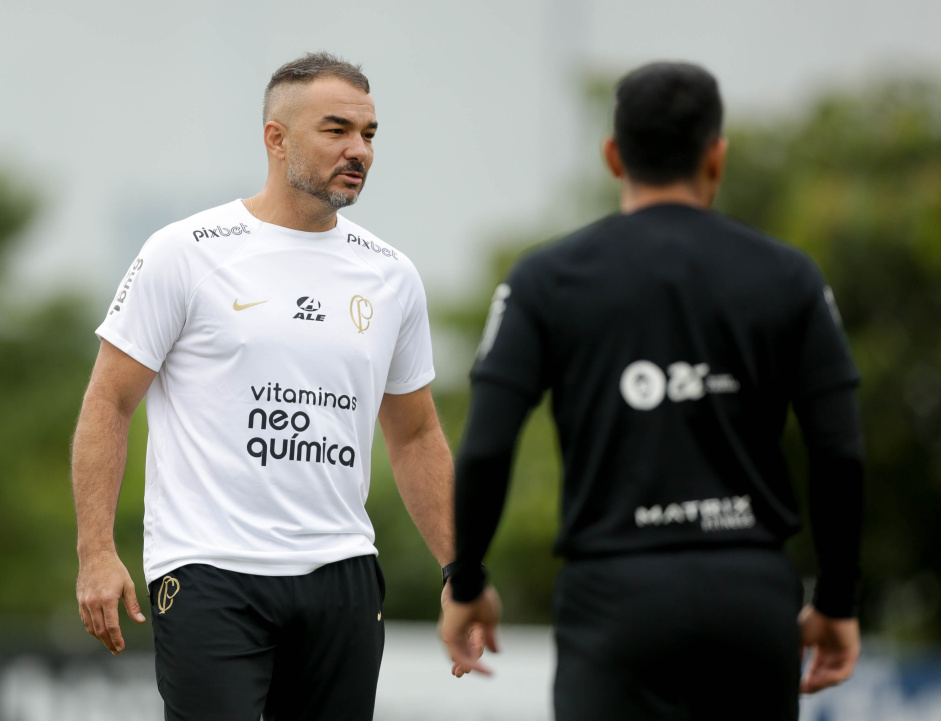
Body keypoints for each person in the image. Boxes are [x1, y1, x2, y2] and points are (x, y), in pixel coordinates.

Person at [440, 61, 865, 721]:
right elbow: (839, 450)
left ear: (613, 155)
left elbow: (486, 446)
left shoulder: (546, 279)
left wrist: (465, 580)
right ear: (715, 155)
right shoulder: (788, 276)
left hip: (614, 600)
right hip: (749, 598)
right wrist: (837, 598)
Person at [72, 52, 475, 721]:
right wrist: (95, 548)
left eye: (369, 134)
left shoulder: (391, 274)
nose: (358, 150)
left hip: (342, 572)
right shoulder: (187, 250)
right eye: (336, 129)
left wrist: (461, 567)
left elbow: (415, 432)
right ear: (276, 138)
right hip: (208, 568)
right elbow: (109, 402)